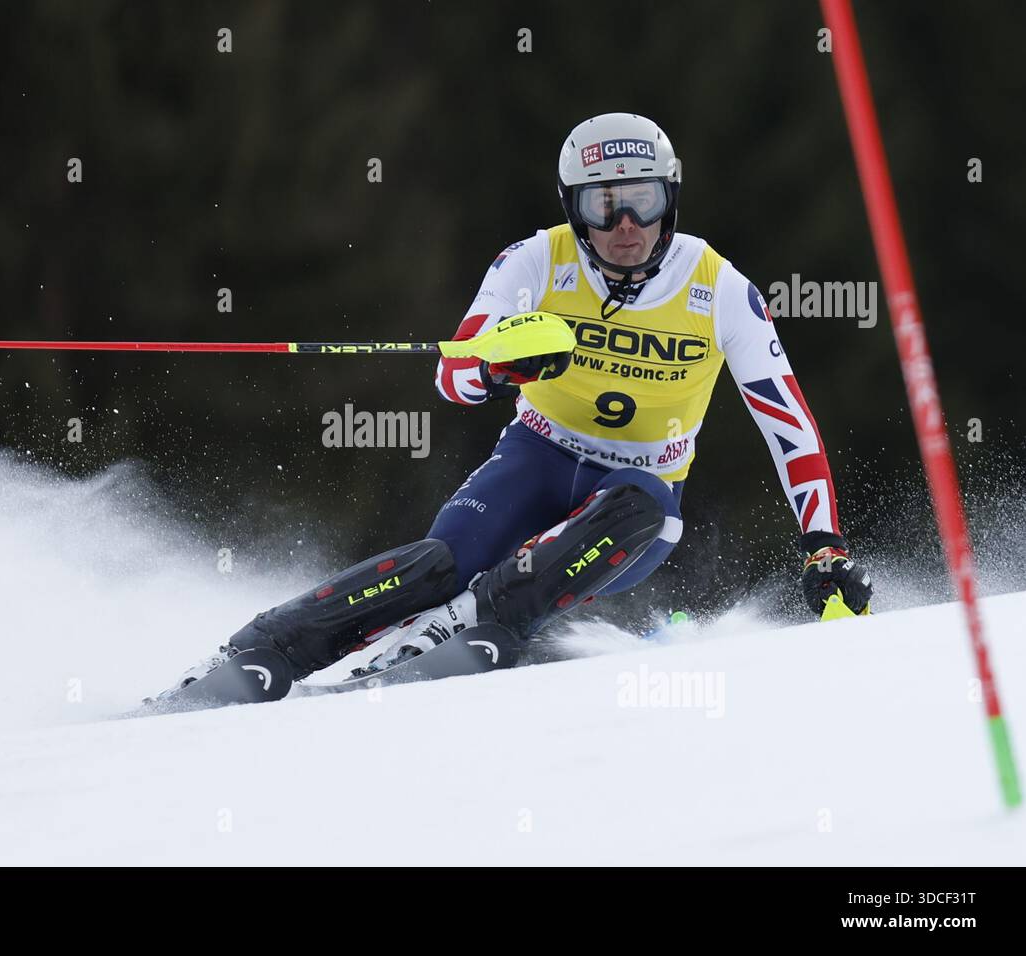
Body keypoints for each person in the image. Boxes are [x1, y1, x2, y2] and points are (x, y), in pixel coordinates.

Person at [158, 112, 873, 697]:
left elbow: (788, 424)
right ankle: (265, 649)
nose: (626, 225)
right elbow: (454, 375)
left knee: (643, 503)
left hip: (634, 504)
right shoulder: (534, 260)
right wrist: (499, 366)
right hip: (535, 457)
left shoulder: (719, 287)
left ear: (670, 198)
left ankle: (480, 621)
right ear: (574, 208)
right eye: (604, 204)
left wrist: (824, 547)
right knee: (442, 561)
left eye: (643, 200)